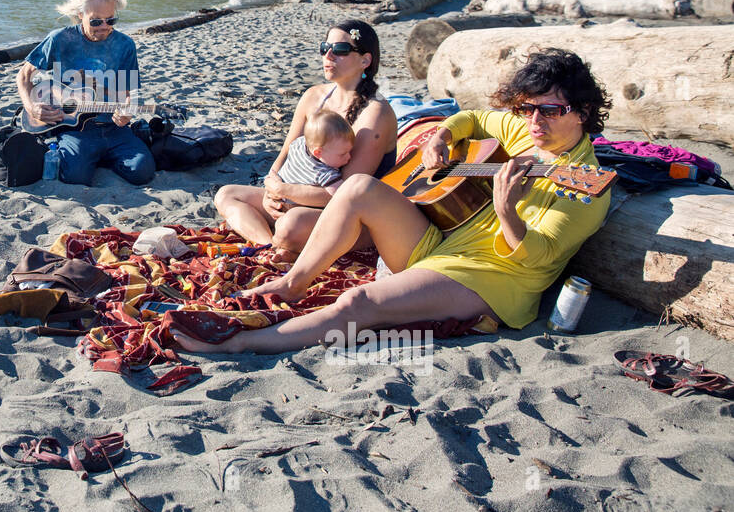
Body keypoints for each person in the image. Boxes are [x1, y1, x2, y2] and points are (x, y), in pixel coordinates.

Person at [175, 48, 613, 355]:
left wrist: (507, 213)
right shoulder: (524, 131)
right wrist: (442, 136)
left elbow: (539, 258)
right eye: (526, 108)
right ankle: (294, 282)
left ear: (583, 111)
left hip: (493, 277)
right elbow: (474, 118)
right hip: (442, 240)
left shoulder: (587, 187)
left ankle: (239, 343)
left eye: (550, 111)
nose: (534, 121)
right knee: (358, 188)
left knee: (359, 304)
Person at [214, 20, 398, 256]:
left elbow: (345, 195)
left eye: (340, 50)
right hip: (295, 198)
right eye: (325, 48)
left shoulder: (375, 114)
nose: (328, 55)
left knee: (292, 224)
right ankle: (269, 247)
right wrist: (272, 192)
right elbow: (286, 153)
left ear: (365, 60)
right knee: (227, 195)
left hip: (351, 214)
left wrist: (284, 192)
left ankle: (281, 240)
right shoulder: (313, 97)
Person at [17, 0, 155, 186]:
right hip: (74, 129)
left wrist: (128, 112)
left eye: (111, 20)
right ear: (80, 14)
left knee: (142, 172)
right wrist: (32, 108)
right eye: (96, 21)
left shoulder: (125, 45)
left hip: (114, 128)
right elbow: (23, 76)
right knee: (75, 177)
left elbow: (130, 92)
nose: (105, 27)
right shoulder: (59, 39)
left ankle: (98, 157)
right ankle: (86, 156)